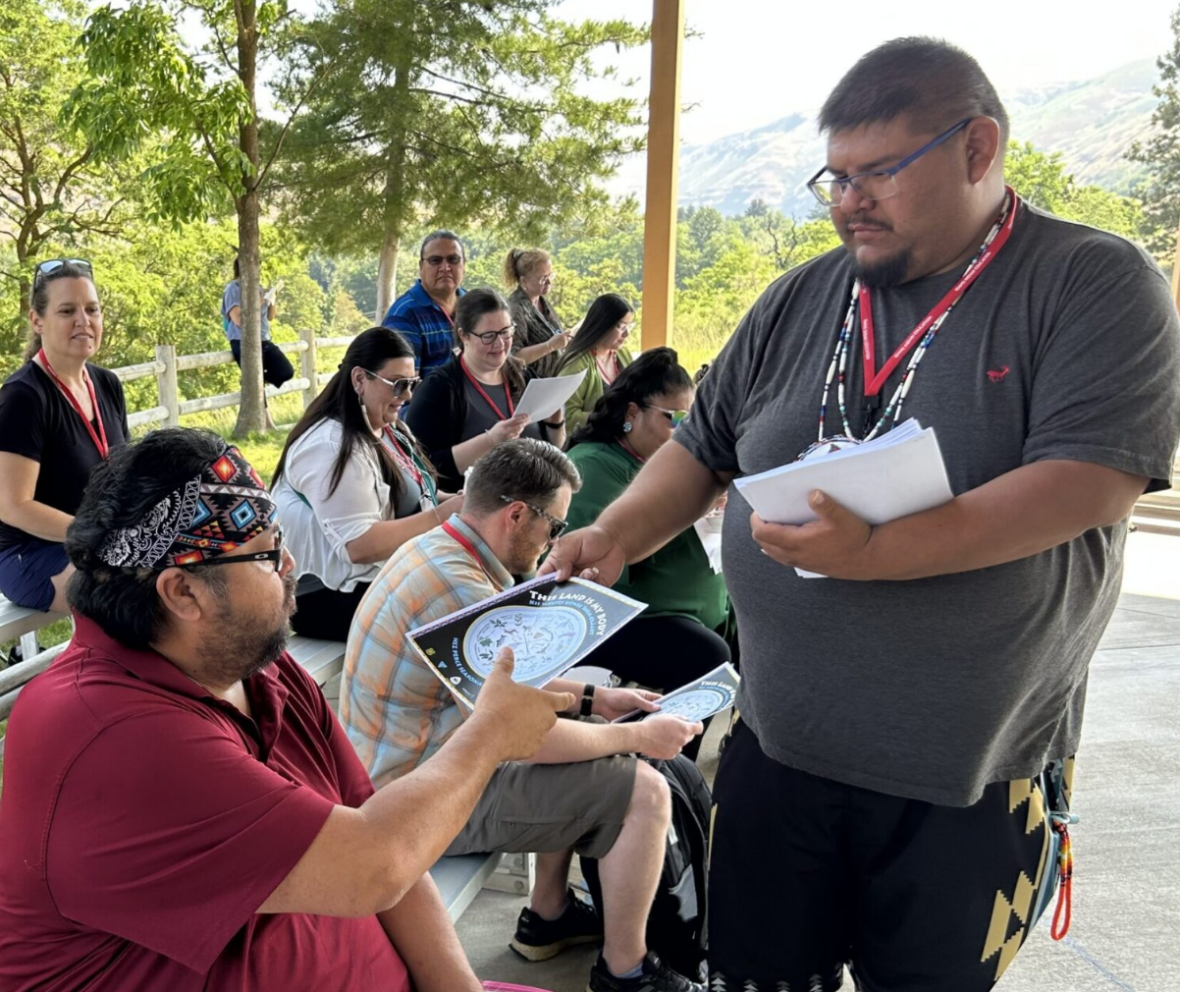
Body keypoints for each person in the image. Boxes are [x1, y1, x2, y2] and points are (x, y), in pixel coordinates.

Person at [543, 37, 1180, 992]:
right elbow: (701, 448)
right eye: (833, 177)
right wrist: (617, 533)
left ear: (977, 150)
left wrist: (876, 551)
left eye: (878, 172)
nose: (847, 202)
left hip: (963, 777)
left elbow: (1088, 480)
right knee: (753, 978)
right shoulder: (802, 295)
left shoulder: (1089, 282)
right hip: (777, 750)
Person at [0, 427, 572, 992]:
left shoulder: (258, 665)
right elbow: (375, 865)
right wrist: (489, 735)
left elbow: (383, 835)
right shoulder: (109, 733)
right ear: (183, 593)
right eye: (268, 553)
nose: (291, 564)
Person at [342, 439, 706, 992]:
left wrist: (596, 701)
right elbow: (521, 736)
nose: (555, 541)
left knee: (595, 741)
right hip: (414, 795)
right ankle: (627, 972)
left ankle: (549, 914)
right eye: (554, 527)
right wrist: (636, 735)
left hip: (407, 765)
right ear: (517, 515)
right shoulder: (460, 589)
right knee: (645, 790)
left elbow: (508, 686)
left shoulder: (440, 552)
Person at [565, 348, 730, 749]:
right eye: (673, 419)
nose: (685, 431)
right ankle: (653, 755)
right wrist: (686, 512)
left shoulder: (672, 464)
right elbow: (600, 578)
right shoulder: (594, 465)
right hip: (625, 616)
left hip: (688, 608)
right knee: (705, 655)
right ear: (633, 413)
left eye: (692, 420)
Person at [271, 327, 462, 641]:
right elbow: (358, 546)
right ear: (360, 379)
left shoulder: (388, 428)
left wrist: (467, 501)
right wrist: (444, 515)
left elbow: (421, 494)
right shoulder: (330, 446)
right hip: (322, 597)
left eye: (413, 383)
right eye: (398, 384)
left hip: (371, 582)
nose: (408, 396)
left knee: (479, 581)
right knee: (459, 607)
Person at [0, 259, 129, 615]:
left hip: (103, 543)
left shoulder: (107, 384)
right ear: (37, 320)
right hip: (30, 552)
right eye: (67, 310)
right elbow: (13, 505)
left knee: (190, 563)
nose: (83, 321)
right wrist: (97, 535)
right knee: (134, 589)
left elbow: (128, 476)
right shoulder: (23, 396)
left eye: (92, 309)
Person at [406, 288, 565, 492]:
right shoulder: (439, 389)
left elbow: (554, 448)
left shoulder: (524, 375)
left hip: (531, 494)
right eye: (489, 336)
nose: (500, 344)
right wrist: (490, 441)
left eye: (506, 332)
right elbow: (423, 467)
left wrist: (556, 422)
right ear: (464, 335)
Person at [382, 230, 467, 374]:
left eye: (453, 259)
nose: (445, 268)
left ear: (464, 265)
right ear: (421, 267)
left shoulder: (476, 305)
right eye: (435, 260)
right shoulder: (404, 315)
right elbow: (405, 386)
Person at [556, 293, 636, 433]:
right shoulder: (578, 364)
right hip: (590, 443)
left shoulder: (622, 354)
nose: (626, 334)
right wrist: (609, 417)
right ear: (603, 325)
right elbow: (565, 416)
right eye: (621, 327)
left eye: (629, 327)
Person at [221, 257, 296, 390]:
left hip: (263, 339)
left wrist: (272, 298)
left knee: (286, 371)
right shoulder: (234, 288)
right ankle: (256, 390)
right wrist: (259, 301)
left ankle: (257, 383)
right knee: (256, 384)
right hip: (243, 341)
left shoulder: (258, 287)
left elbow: (270, 316)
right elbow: (239, 320)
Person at [504, 247, 570, 376]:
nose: (549, 282)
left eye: (550, 275)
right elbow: (513, 356)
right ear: (524, 281)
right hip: (530, 386)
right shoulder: (515, 308)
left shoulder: (542, 302)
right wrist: (549, 346)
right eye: (543, 279)